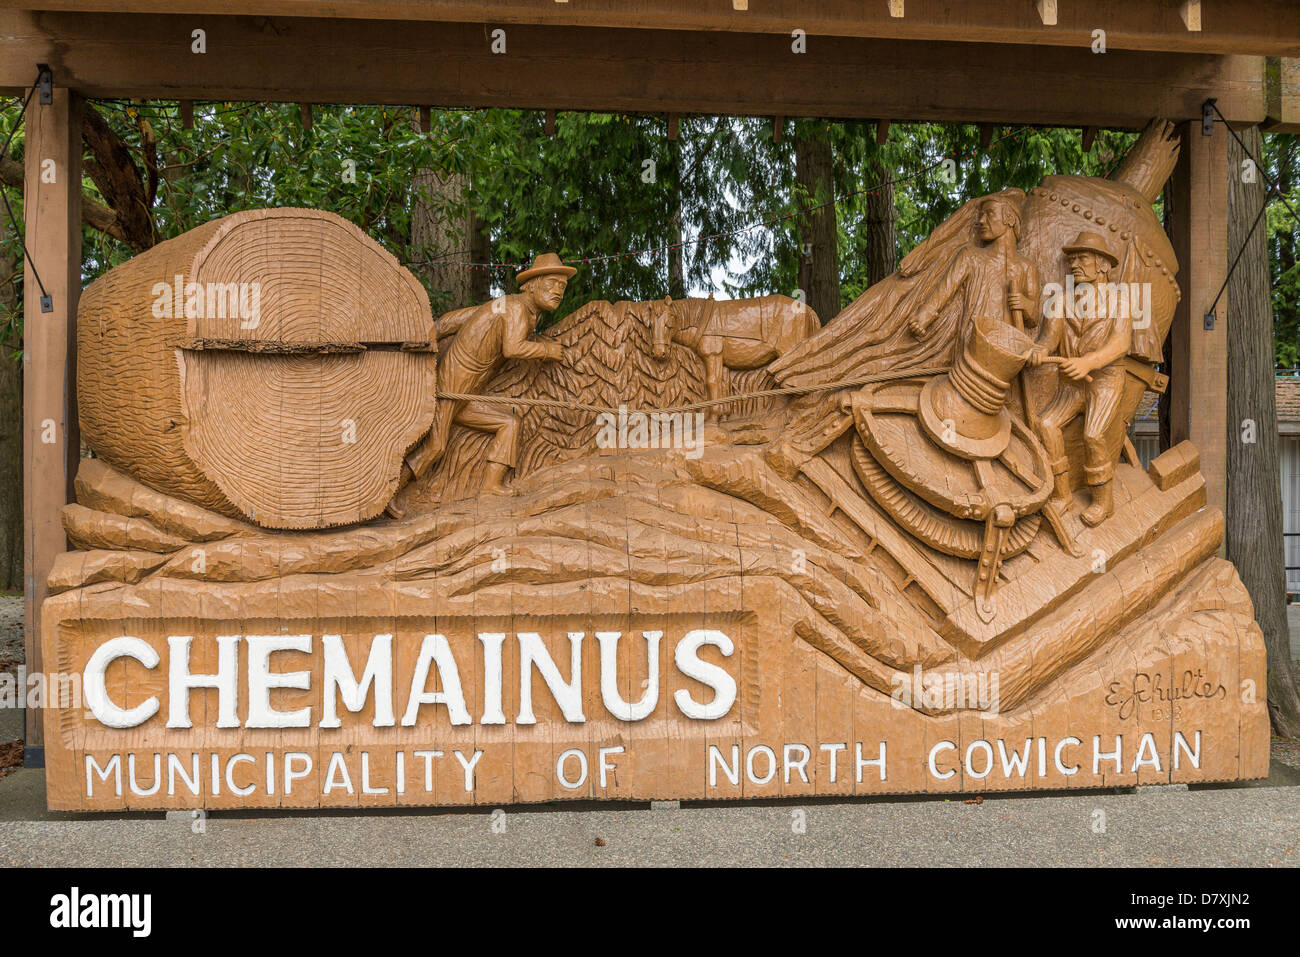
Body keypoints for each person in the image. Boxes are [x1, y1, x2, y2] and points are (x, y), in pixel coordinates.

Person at [388, 253, 573, 513]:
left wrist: (433, 332)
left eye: (562, 287)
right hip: (453, 387)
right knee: (435, 445)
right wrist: (547, 352)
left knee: (509, 423)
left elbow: (454, 320)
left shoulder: (515, 309)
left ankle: (490, 486)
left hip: (469, 392)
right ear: (531, 284)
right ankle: (387, 494)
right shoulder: (517, 307)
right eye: (552, 283)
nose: (558, 291)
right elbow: (512, 348)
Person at [1025, 231, 1130, 526]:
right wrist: (1038, 351)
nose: (1075, 264)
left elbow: (1121, 343)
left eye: (1082, 258)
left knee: (1093, 435)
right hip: (1071, 383)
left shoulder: (1120, 301)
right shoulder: (1060, 301)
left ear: (1103, 265)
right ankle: (1062, 495)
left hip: (1105, 380)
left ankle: (1103, 501)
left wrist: (1089, 362)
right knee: (1045, 425)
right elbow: (1048, 340)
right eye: (1072, 259)